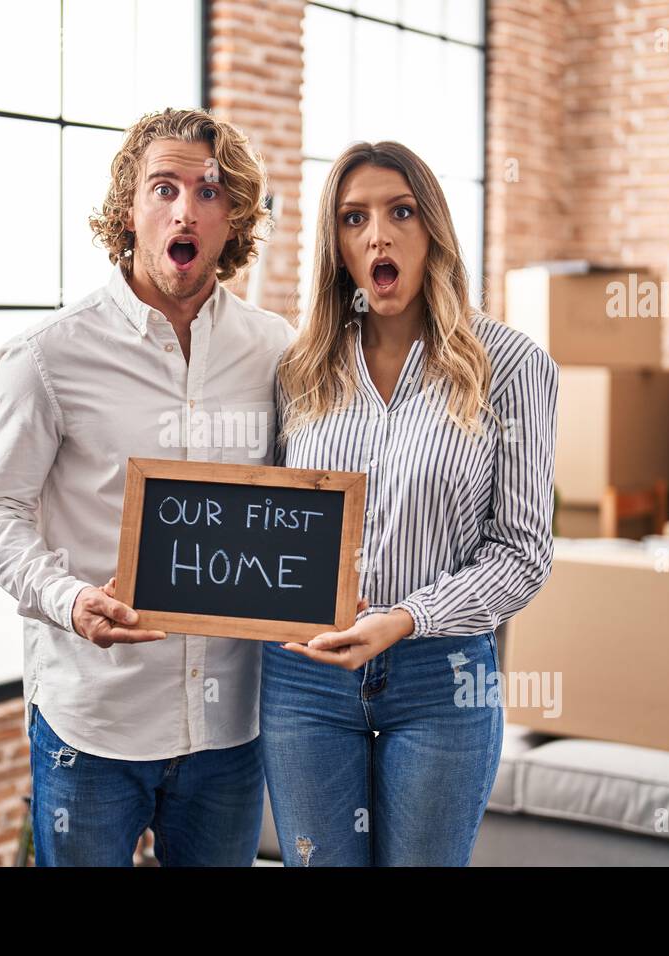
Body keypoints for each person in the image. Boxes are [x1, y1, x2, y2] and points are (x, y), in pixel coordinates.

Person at [0, 108, 294, 866]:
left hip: (228, 728)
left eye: (209, 192)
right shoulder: (48, 355)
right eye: (163, 187)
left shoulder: (274, 350)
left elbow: (294, 505)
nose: (185, 209)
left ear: (233, 215)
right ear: (128, 209)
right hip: (93, 718)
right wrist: (69, 599)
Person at [262, 141, 557, 867]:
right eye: (353, 218)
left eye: (400, 212)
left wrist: (405, 618)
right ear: (336, 246)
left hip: (444, 675)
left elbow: (522, 552)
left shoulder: (513, 366)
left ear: (434, 231)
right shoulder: (298, 371)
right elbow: (268, 522)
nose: (378, 236)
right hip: (307, 676)